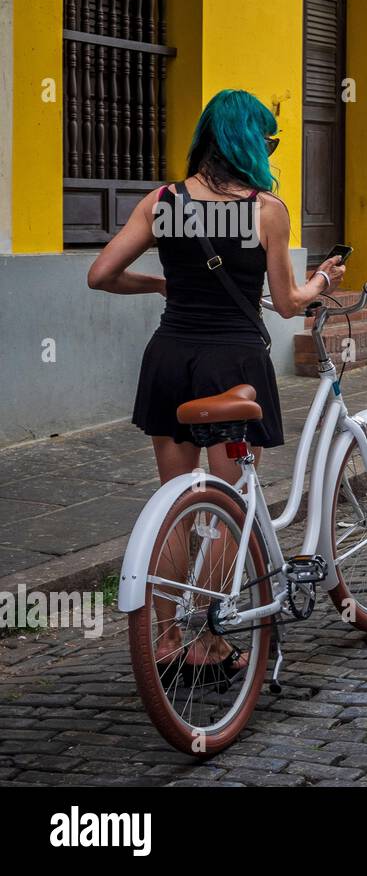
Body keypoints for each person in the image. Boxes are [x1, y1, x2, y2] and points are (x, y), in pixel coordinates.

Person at [88, 88, 346, 676]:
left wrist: (157, 286)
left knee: (174, 501)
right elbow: (286, 305)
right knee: (230, 503)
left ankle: (166, 639)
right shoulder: (264, 209)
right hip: (233, 367)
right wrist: (323, 282)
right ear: (252, 143)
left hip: (170, 359)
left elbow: (101, 274)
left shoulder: (163, 202)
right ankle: (207, 638)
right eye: (269, 140)